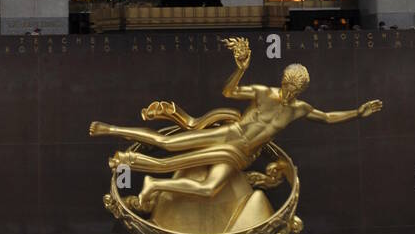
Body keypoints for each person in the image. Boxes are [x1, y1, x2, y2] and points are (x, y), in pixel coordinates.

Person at [89, 38, 382, 213]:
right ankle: (110, 129)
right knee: (168, 145)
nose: (290, 92)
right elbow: (229, 92)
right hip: (230, 134)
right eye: (288, 86)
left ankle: (153, 185)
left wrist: (357, 112)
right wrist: (240, 70)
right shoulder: (264, 93)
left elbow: (327, 117)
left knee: (209, 188)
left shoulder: (298, 110)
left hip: (240, 154)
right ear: (282, 81)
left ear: (302, 91)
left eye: (296, 89)